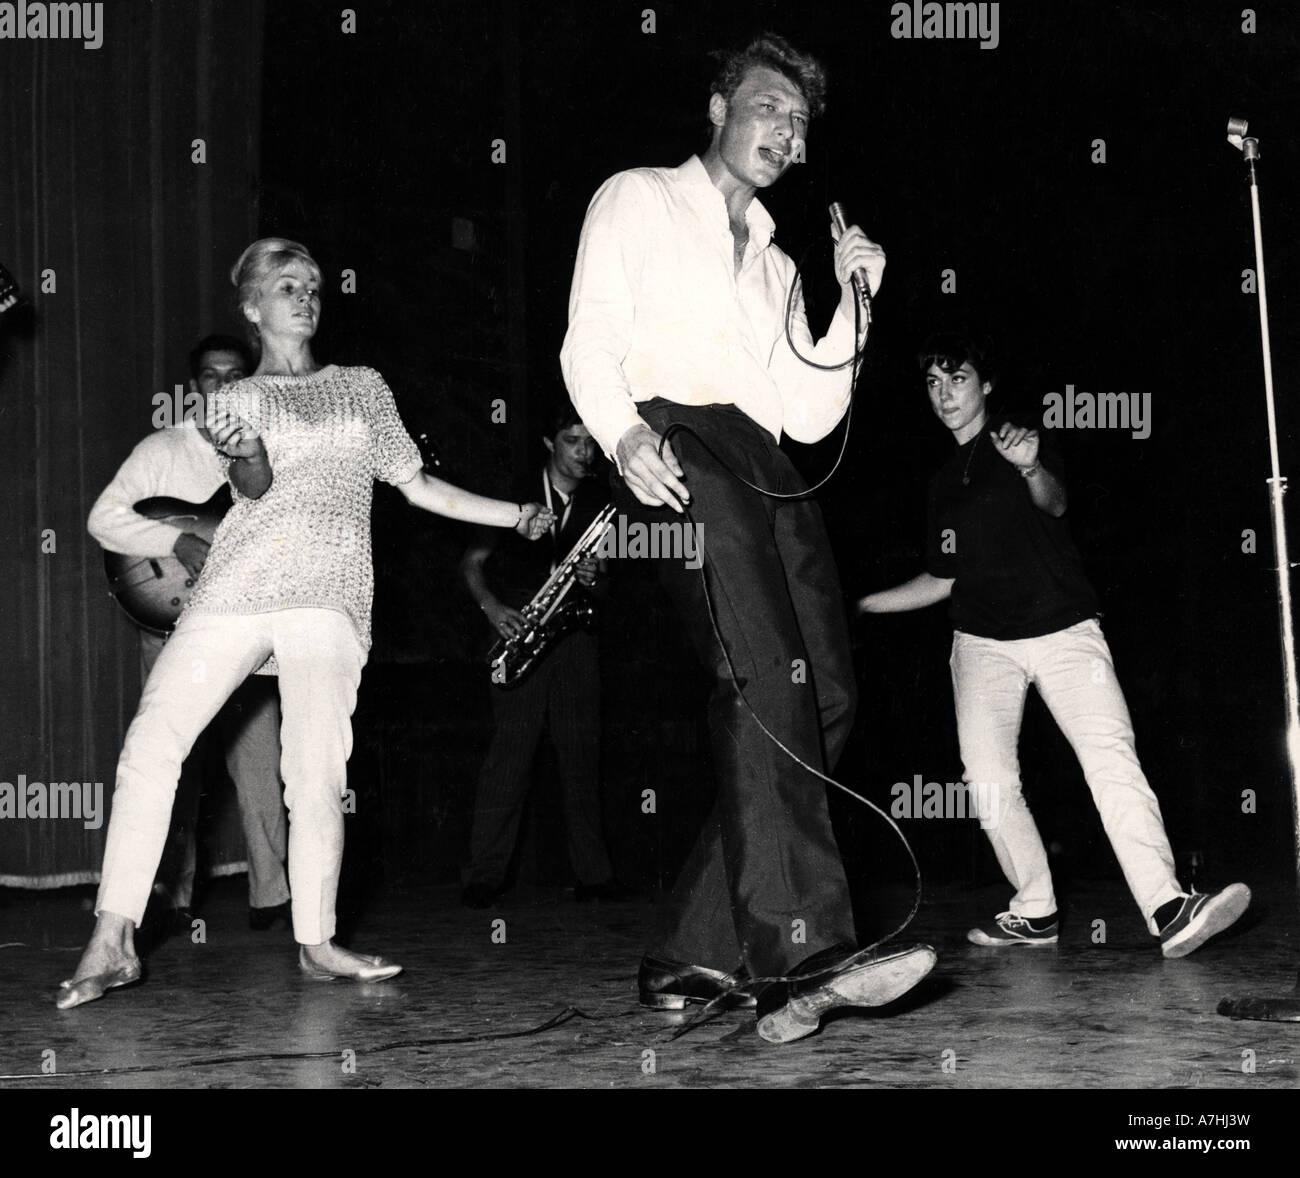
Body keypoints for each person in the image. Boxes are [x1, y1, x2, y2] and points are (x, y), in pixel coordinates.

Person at [56, 237, 554, 1009]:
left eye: (314, 284)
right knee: (152, 743)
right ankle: (111, 937)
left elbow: (416, 485)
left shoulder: (361, 386)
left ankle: (317, 941)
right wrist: (248, 452)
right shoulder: (233, 399)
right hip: (234, 587)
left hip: (328, 591)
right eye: (287, 285)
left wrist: (516, 513)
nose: (306, 294)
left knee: (315, 774)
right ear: (253, 307)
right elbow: (252, 487)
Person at [560, 33, 935, 1045]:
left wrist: (855, 301)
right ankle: (802, 950)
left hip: (768, 459)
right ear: (719, 106)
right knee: (764, 676)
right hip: (674, 435)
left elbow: (807, 414)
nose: (786, 130)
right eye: (769, 106)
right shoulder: (637, 196)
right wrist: (623, 430)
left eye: (800, 123)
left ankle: (689, 949)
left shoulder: (773, 259)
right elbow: (588, 329)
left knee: (830, 694)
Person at [858, 332, 1250, 956]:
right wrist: (859, 605)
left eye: (957, 379)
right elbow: (942, 577)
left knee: (1110, 759)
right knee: (986, 781)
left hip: (1065, 630)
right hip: (982, 644)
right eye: (933, 384)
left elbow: (1057, 503)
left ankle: (1168, 906)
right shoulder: (940, 483)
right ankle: (1034, 909)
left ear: (984, 385)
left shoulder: (1021, 440)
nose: (944, 394)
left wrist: (1032, 467)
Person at [88, 334, 291, 933]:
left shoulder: (268, 452)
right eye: (211, 375)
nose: (223, 386)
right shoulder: (161, 449)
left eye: (235, 375)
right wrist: (174, 540)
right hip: (172, 625)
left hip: (247, 629)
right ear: (195, 385)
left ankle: (272, 897)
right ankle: (170, 899)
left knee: (260, 765)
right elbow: (104, 519)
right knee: (172, 763)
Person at [459, 405, 629, 907]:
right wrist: (494, 609)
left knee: (582, 758)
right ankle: (484, 877)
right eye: (573, 441)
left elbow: (618, 577)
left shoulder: (604, 502)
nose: (585, 453)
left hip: (575, 638)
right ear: (549, 443)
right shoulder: (515, 498)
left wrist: (601, 576)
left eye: (591, 443)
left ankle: (593, 877)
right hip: (521, 636)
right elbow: (470, 566)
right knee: (508, 760)